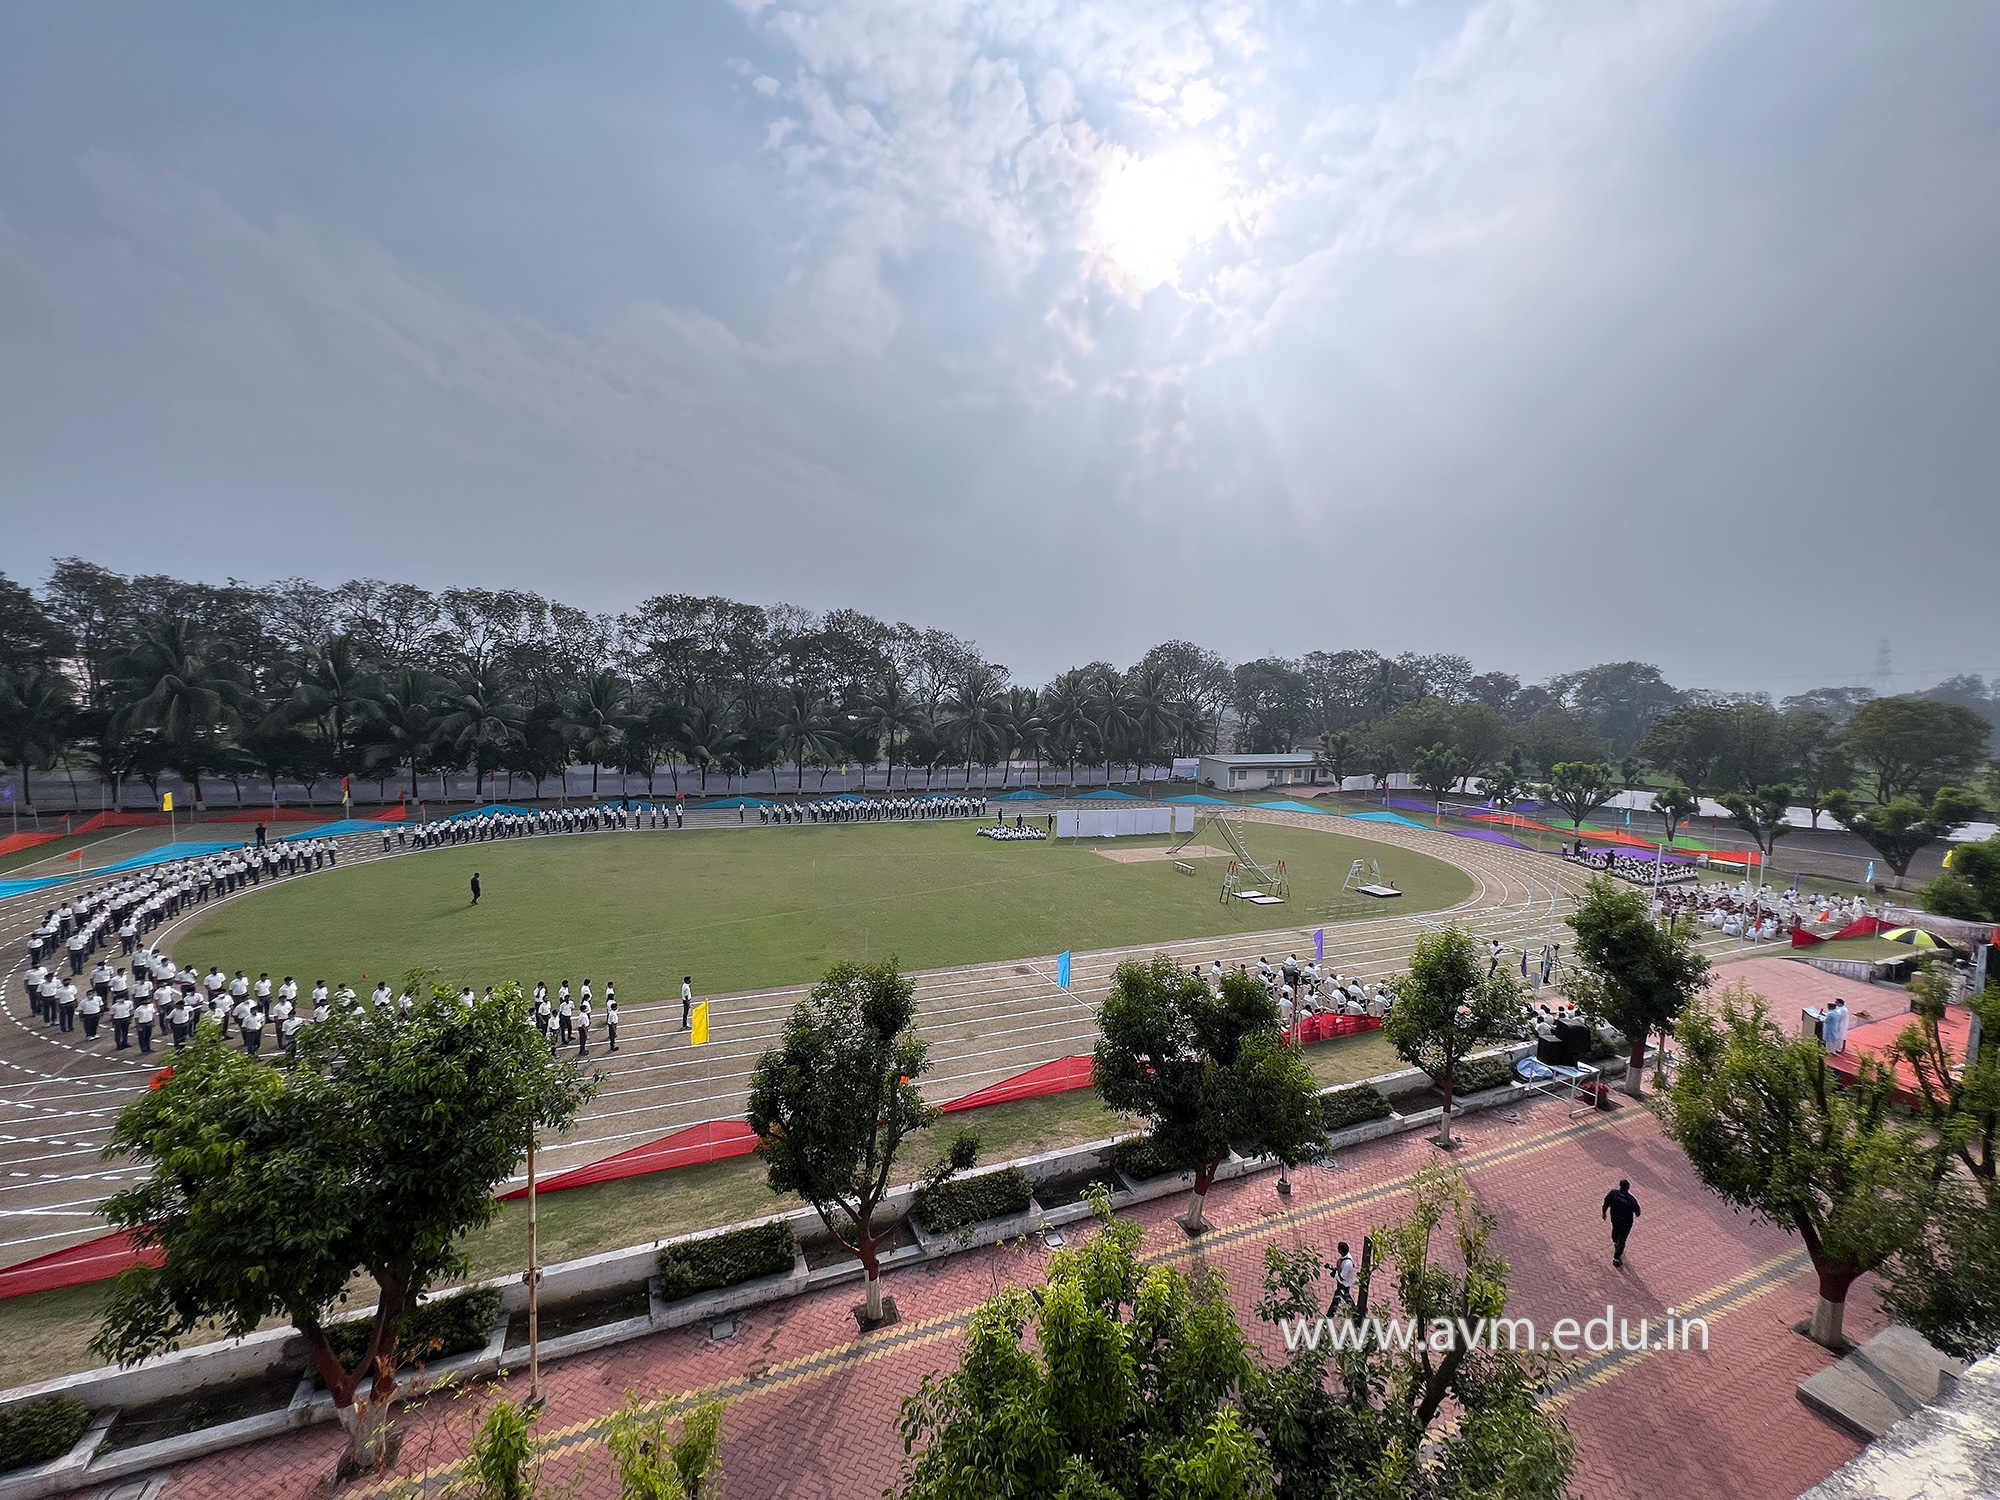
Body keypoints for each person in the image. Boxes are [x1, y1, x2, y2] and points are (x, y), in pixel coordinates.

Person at [1602, 1179, 1641, 1268]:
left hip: (1615, 1219)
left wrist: (1604, 1212)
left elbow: (1606, 1202)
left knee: (1615, 1230)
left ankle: (1616, 1242)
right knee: (1623, 1239)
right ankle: (1616, 1258)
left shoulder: (1613, 1193)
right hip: (1626, 1223)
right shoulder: (1631, 1199)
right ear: (1628, 1187)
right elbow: (1638, 1212)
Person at [1328, 1241, 1358, 1315]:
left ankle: (1329, 1316)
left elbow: (1342, 1277)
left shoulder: (1347, 1263)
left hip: (1344, 1284)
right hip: (1342, 1283)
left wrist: (1337, 1269)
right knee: (1343, 1298)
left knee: (1338, 1299)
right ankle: (1355, 1311)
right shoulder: (1345, 1258)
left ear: (1341, 1251)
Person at [604, 985, 619, 1053]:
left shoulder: (609, 1004)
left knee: (612, 1035)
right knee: (612, 1036)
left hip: (611, 1022)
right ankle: (612, 1046)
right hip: (612, 1024)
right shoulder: (613, 1013)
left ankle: (612, 1045)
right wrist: (614, 1030)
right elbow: (612, 1023)